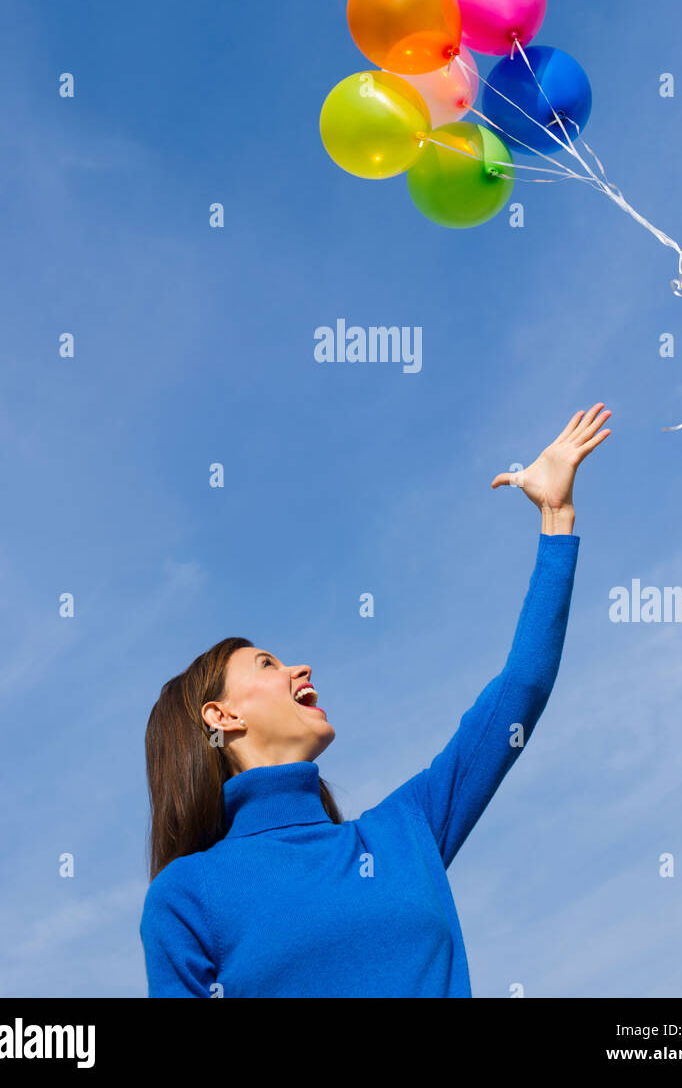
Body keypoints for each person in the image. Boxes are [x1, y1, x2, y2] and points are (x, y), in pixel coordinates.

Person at [140, 403, 612, 997]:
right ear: (221, 716)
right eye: (267, 663)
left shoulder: (404, 831)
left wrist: (556, 515)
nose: (299, 667)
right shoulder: (187, 897)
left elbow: (521, 692)